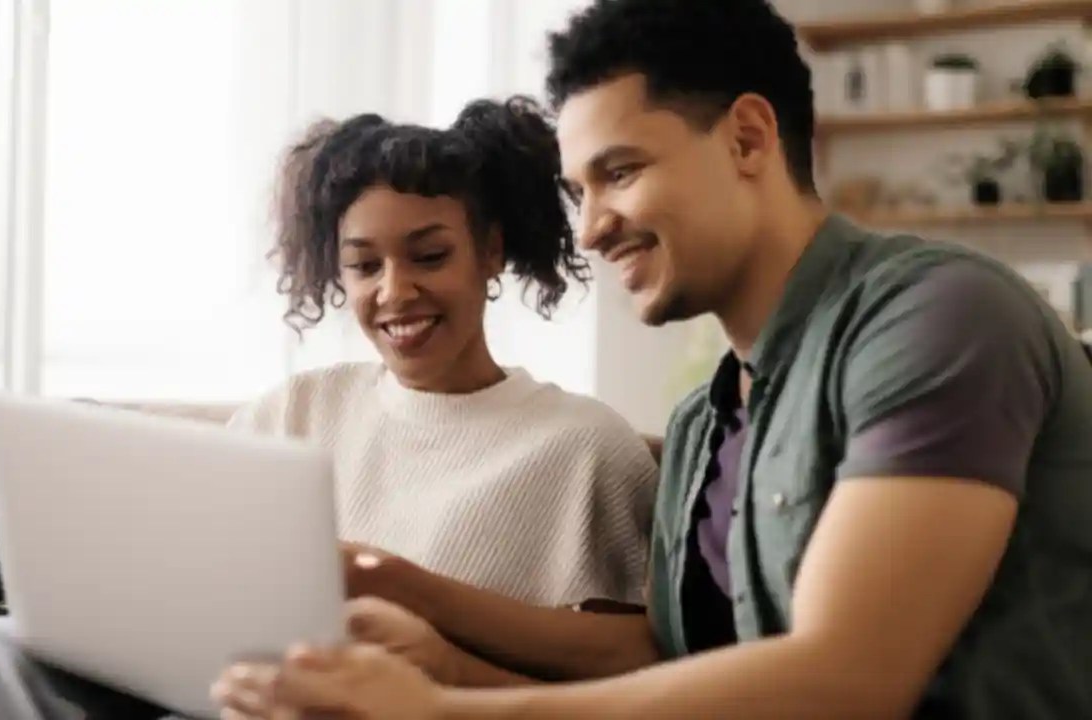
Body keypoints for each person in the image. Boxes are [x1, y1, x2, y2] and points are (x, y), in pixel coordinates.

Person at [213, 0, 1092, 718]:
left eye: (620, 172)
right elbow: (661, 656)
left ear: (750, 138)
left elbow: (846, 680)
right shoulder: (707, 421)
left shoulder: (939, 316)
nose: (592, 227)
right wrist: (422, 622)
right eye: (578, 190)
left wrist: (443, 710)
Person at [0, 96, 660, 719]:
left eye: (429, 257)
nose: (394, 292)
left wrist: (393, 592)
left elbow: (636, 665)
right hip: (221, 699)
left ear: (491, 252)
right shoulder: (299, 408)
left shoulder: (584, 447)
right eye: (365, 265)